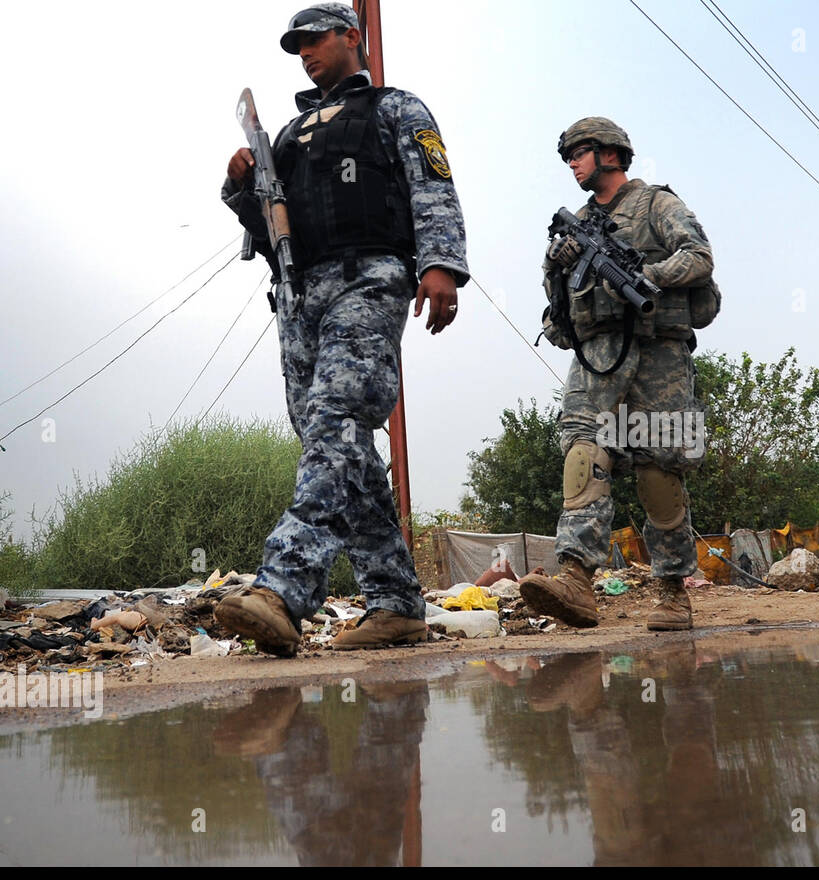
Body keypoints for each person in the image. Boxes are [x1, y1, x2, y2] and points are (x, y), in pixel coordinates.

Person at [215, 4, 470, 655]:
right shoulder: (293, 133)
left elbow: (432, 186)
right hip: (299, 297)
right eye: (296, 45)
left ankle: (282, 586)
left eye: (315, 39)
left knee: (335, 422)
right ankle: (395, 603)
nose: (305, 52)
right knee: (339, 450)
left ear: (350, 37)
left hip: (369, 281)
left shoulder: (395, 109)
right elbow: (267, 227)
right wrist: (241, 184)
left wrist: (441, 266)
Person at [519, 118, 716, 630]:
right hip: (596, 353)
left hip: (659, 352)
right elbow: (555, 304)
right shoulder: (575, 222)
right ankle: (577, 581)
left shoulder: (656, 204)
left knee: (658, 470)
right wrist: (557, 268)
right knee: (583, 452)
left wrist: (646, 275)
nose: (571, 163)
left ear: (610, 153)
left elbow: (699, 257)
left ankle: (673, 591)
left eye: (579, 152)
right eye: (568, 156)